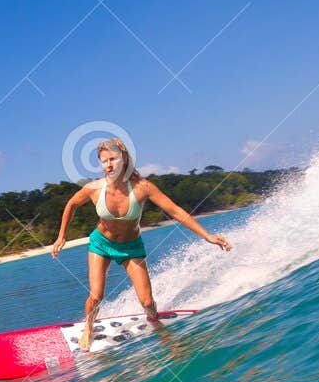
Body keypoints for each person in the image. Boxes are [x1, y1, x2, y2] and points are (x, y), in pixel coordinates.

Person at [49, 138, 232, 349]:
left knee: (147, 302)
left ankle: (155, 321)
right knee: (96, 294)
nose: (108, 165)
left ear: (124, 159)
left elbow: (175, 211)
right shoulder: (94, 189)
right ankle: (88, 327)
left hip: (131, 247)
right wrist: (62, 236)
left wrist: (207, 235)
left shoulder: (142, 187)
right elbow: (71, 204)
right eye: (104, 161)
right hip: (101, 244)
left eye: (113, 159)